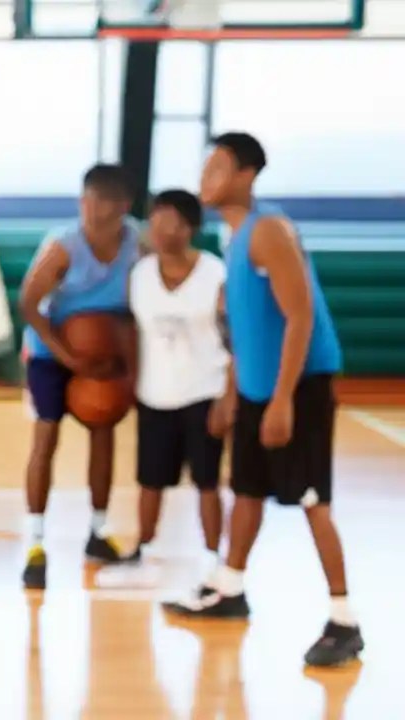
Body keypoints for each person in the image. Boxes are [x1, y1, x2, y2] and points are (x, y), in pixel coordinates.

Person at [169, 132, 365, 668]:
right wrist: (235, 395)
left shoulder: (268, 232)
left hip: (298, 387)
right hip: (259, 388)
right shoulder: (235, 242)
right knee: (247, 491)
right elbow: (247, 331)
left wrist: (282, 401)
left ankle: (344, 621)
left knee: (312, 501)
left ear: (246, 175)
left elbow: (300, 316)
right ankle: (230, 589)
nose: (205, 177)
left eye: (217, 167)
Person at [16, 164, 140, 589]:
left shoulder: (137, 242)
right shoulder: (64, 246)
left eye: (103, 200)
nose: (92, 208)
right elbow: (29, 304)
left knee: (103, 429)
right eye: (86, 199)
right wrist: (70, 359)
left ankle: (98, 533)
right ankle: (35, 544)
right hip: (53, 349)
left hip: (104, 351)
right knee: (46, 436)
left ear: (123, 206)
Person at [123, 189, 229, 572]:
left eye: (176, 223)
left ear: (192, 228)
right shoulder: (139, 275)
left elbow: (234, 337)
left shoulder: (215, 273)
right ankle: (144, 545)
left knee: (207, 481)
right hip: (155, 392)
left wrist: (229, 396)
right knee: (150, 480)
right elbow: (132, 333)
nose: (166, 230)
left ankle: (216, 554)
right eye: (159, 221)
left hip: (205, 391)